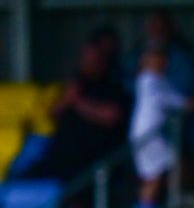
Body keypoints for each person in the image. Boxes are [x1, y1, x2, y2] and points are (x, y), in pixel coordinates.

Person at [21, 39, 132, 181]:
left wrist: (79, 103)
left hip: (92, 157)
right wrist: (67, 99)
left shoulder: (113, 86)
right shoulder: (77, 83)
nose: (88, 64)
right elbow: (52, 114)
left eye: (93, 59)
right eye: (85, 59)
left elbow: (112, 116)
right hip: (59, 156)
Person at [129, 48, 194, 202]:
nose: (164, 64)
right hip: (150, 135)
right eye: (158, 59)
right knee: (164, 171)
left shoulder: (153, 80)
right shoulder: (150, 80)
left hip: (147, 134)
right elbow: (179, 103)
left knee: (155, 175)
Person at [128, 9, 194, 98]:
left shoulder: (181, 55)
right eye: (154, 28)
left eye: (162, 28)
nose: (157, 32)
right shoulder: (136, 54)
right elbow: (126, 82)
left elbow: (186, 85)